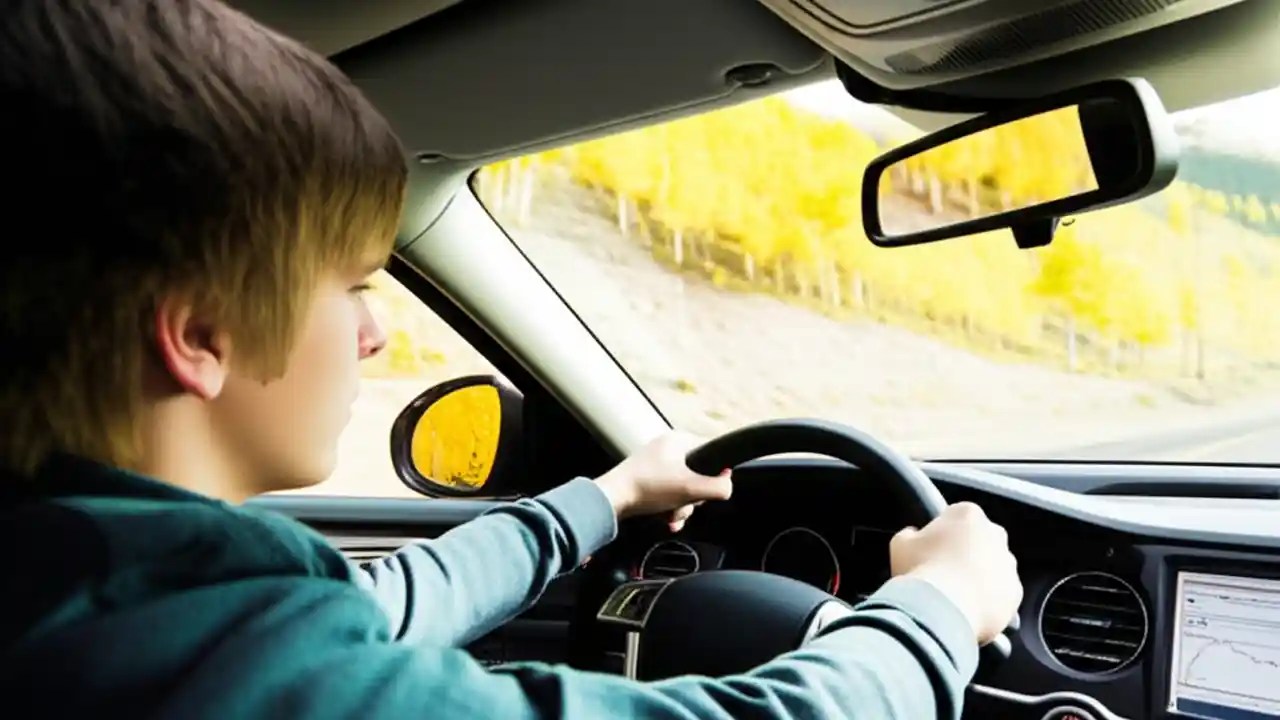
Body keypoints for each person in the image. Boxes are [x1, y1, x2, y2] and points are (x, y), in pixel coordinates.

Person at [0, 1, 1023, 718]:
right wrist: (936, 608)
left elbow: (389, 606)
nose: (374, 335)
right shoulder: (211, 670)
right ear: (198, 335)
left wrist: (607, 496)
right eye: (354, 286)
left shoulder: (98, 601)